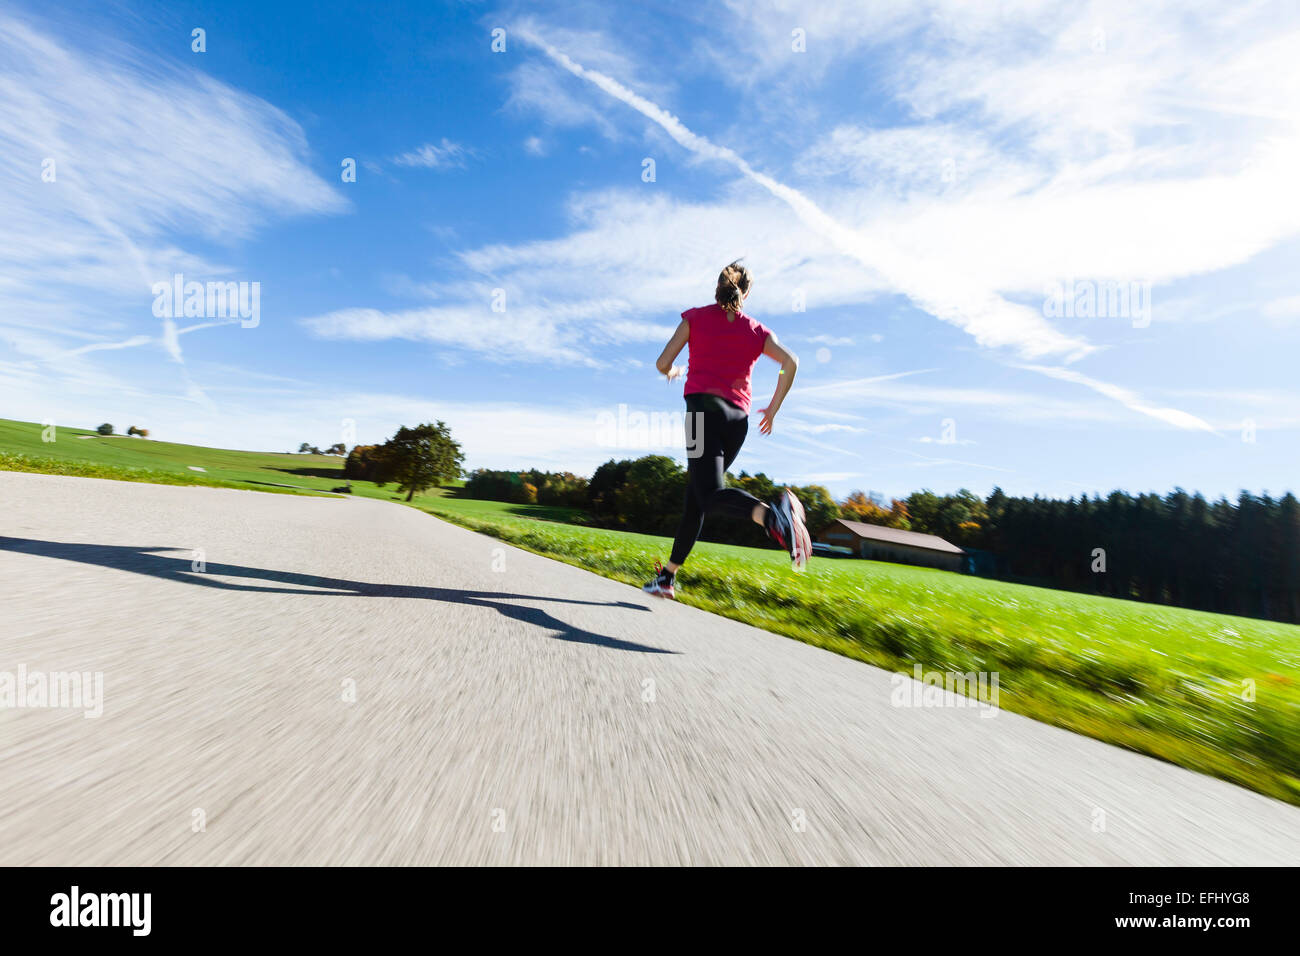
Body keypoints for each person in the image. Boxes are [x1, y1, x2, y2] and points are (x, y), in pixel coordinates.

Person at [642, 260, 810, 600]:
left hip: (701, 413)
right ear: (746, 293)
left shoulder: (695, 318)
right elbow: (790, 363)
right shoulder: (757, 331)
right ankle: (667, 577)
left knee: (707, 494)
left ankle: (772, 516)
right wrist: (773, 407)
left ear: (716, 287)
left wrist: (674, 372)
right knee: (697, 497)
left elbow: (661, 363)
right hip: (738, 421)